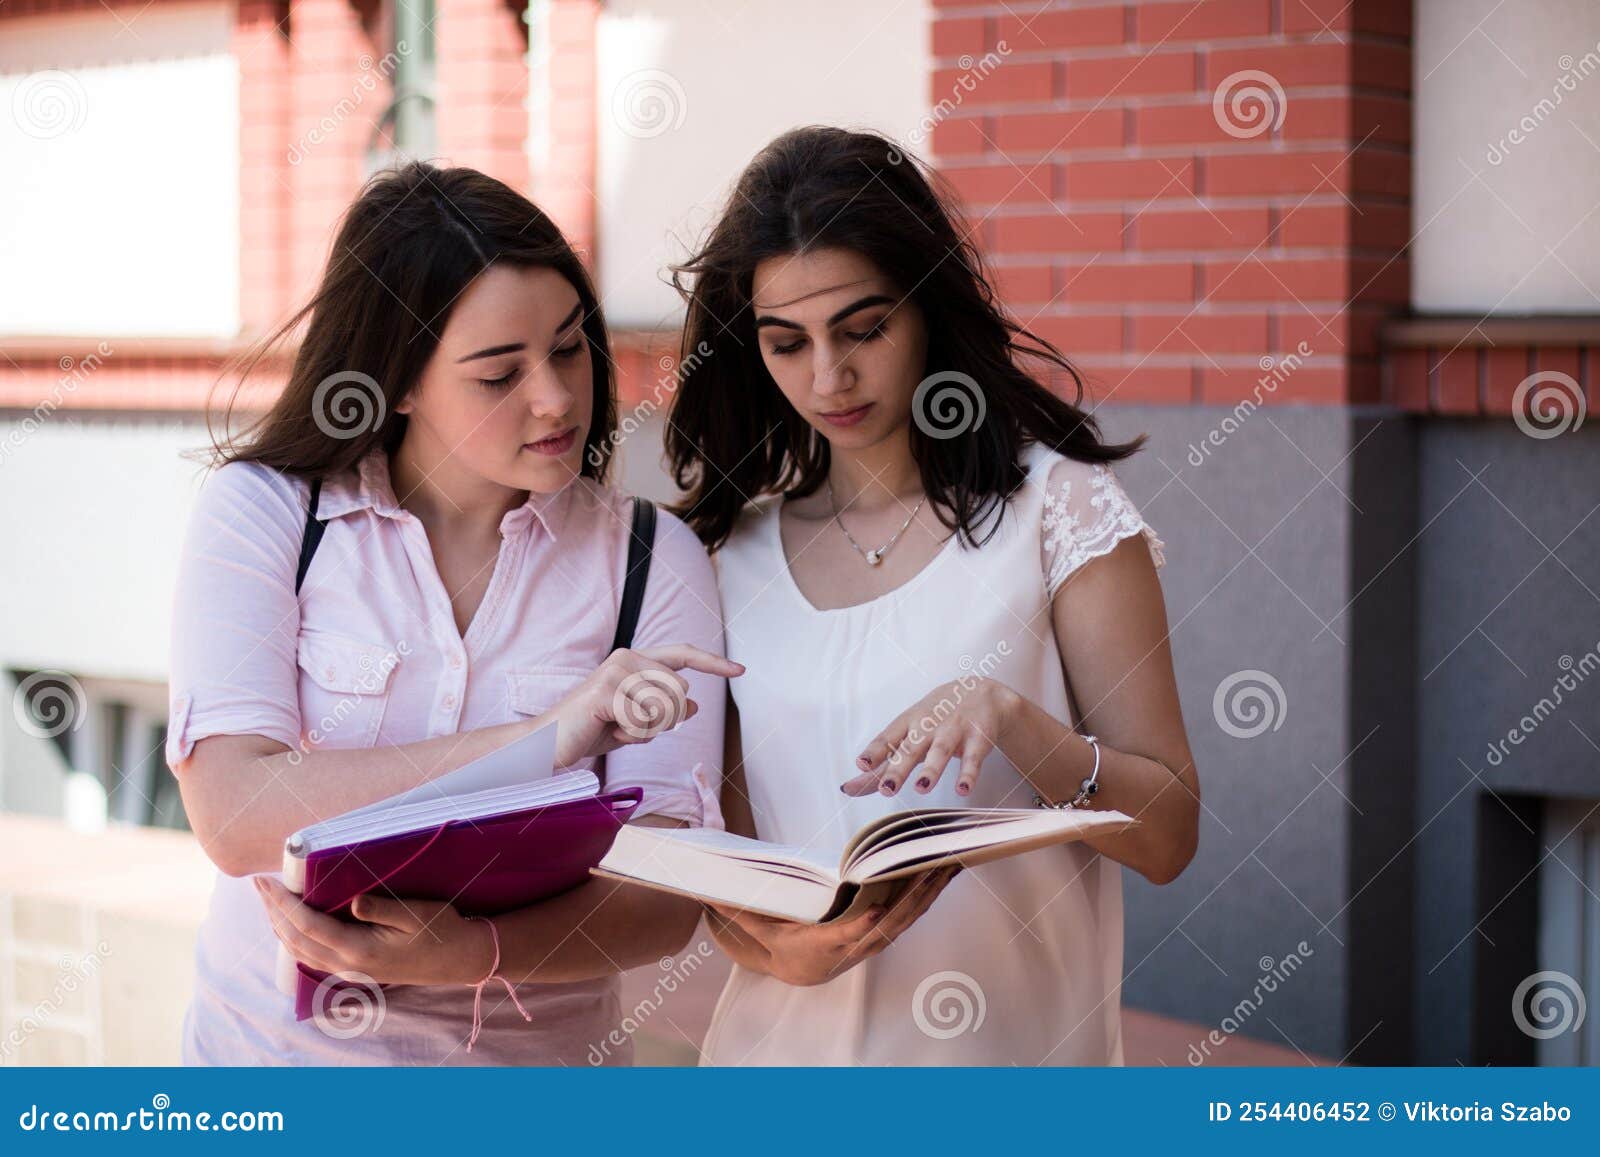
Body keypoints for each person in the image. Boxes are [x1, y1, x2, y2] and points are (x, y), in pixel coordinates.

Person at [168, 162, 740, 1065]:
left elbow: (670, 898)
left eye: (566, 346)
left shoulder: (651, 557)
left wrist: (475, 956)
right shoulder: (268, 513)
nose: (555, 396)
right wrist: (546, 739)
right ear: (395, 381)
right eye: (497, 374)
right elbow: (237, 814)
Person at [664, 127, 1200, 1065]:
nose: (828, 377)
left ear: (927, 308)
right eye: (787, 343)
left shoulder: (1056, 509)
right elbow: (735, 879)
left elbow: (1168, 835)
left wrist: (1014, 719)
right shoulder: (724, 558)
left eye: (865, 328)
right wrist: (777, 948)